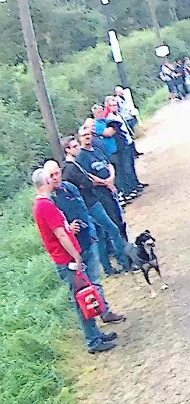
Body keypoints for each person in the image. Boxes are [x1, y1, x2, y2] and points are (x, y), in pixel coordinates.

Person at [32, 167, 123, 354]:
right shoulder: (46, 206)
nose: (54, 179)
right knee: (81, 299)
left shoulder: (44, 204)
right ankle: (93, 341)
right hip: (67, 260)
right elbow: (61, 234)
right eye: (50, 177)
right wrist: (76, 255)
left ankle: (96, 334)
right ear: (46, 182)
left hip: (67, 258)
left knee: (86, 295)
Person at [45, 160, 129, 317]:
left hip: (87, 241)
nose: (55, 178)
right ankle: (93, 332)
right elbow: (54, 228)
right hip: (70, 250)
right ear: (46, 178)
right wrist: (68, 227)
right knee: (81, 291)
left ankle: (105, 312)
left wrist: (91, 233)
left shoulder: (70, 188)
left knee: (96, 282)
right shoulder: (50, 200)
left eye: (57, 173)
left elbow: (84, 210)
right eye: (51, 175)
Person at [63, 136, 130, 274]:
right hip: (90, 204)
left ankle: (107, 268)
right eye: (74, 147)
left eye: (77, 146)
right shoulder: (70, 168)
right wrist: (94, 183)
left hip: (89, 202)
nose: (78, 149)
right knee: (113, 230)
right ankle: (124, 262)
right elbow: (86, 182)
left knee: (100, 236)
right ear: (67, 150)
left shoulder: (74, 165)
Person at [75, 128, 128, 241]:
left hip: (111, 189)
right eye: (84, 135)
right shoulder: (81, 157)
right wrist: (104, 182)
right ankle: (121, 249)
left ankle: (127, 245)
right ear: (80, 138)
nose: (87, 137)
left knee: (119, 218)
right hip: (100, 193)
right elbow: (87, 175)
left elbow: (109, 164)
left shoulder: (97, 151)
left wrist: (111, 178)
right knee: (112, 221)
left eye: (88, 134)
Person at [94, 104, 140, 198]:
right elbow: (108, 133)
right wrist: (114, 128)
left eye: (101, 111)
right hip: (110, 151)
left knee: (124, 170)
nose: (100, 114)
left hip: (118, 148)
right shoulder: (97, 125)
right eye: (98, 113)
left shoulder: (105, 121)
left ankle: (129, 189)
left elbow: (117, 125)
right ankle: (123, 193)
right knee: (118, 173)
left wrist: (113, 127)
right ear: (94, 115)